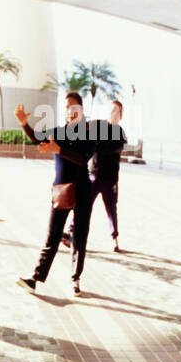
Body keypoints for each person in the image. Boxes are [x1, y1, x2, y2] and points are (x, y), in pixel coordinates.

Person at [14, 93, 95, 296]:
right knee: (53, 236)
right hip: (62, 191)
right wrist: (24, 123)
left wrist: (58, 149)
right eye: (67, 107)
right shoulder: (59, 132)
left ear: (81, 110)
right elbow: (35, 138)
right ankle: (35, 278)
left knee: (80, 236)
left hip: (83, 191)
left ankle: (75, 279)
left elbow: (83, 159)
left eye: (74, 106)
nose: (70, 111)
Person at [63, 100, 126, 252]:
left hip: (110, 179)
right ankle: (71, 231)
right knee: (83, 205)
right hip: (94, 176)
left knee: (111, 209)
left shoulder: (120, 134)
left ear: (121, 115)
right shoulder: (98, 125)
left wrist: (95, 143)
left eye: (117, 111)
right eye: (112, 111)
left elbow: (111, 148)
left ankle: (114, 239)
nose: (114, 114)